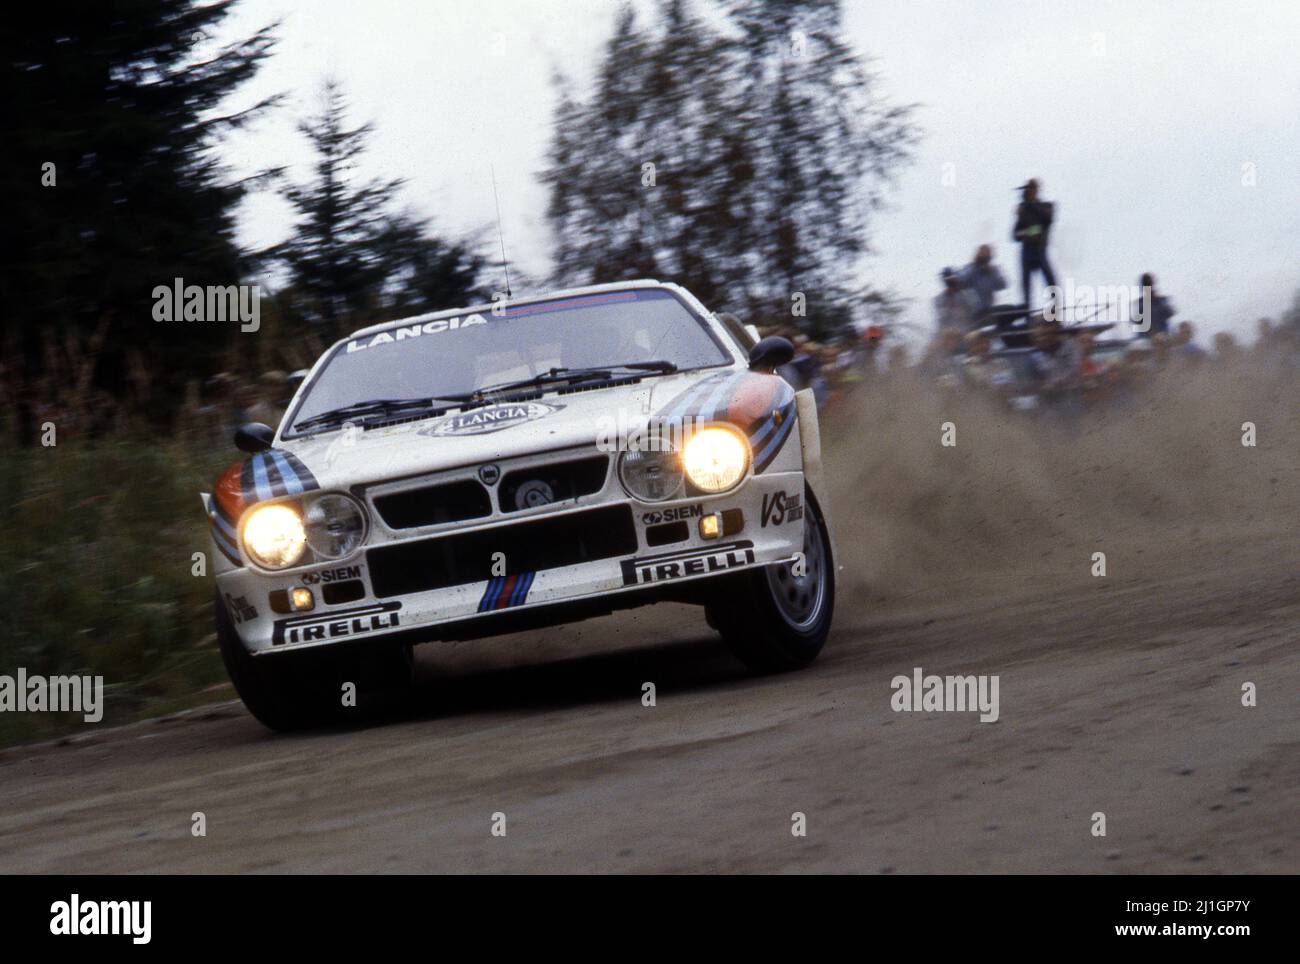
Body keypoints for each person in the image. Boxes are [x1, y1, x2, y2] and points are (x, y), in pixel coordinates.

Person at [1012, 178, 1056, 309]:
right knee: (1026, 285)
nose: (1028, 192)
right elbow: (1015, 235)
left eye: (1030, 189)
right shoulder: (1023, 211)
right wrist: (1029, 231)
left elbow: (1045, 223)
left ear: (1036, 190)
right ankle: (1027, 314)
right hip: (1027, 251)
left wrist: (1030, 204)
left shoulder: (1046, 206)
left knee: (1050, 281)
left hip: (1040, 249)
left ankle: (1054, 309)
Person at [961, 244, 1007, 319]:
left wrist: (992, 273)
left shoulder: (994, 270)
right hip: (972, 311)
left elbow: (1003, 285)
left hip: (988, 309)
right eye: (983, 257)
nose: (985, 260)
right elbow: (961, 281)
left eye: (987, 257)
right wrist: (975, 266)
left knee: (1011, 309)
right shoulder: (970, 268)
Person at [1132, 273, 1176, 338]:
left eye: (1149, 284)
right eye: (1146, 284)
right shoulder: (1139, 303)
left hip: (1163, 337)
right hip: (1145, 338)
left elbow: (1171, 312)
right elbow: (1136, 320)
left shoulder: (1162, 300)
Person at [933, 267, 976, 333]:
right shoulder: (939, 299)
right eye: (947, 280)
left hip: (968, 330)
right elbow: (941, 317)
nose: (950, 282)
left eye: (952, 279)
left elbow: (974, 311)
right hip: (948, 333)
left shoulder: (968, 294)